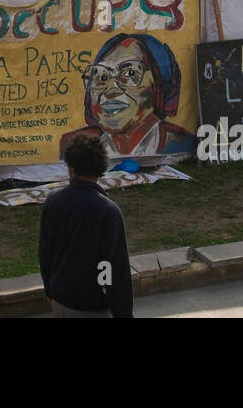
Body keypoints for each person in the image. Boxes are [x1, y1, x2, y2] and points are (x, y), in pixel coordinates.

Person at [58, 33, 196, 159]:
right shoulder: (73, 145)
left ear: (158, 84)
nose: (110, 88)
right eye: (102, 76)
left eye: (129, 74)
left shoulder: (181, 143)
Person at [38, 135, 133, 318]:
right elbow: (115, 270)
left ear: (70, 168)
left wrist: (49, 289)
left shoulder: (53, 201)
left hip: (60, 300)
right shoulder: (108, 211)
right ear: (100, 168)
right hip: (93, 306)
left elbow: (45, 252)